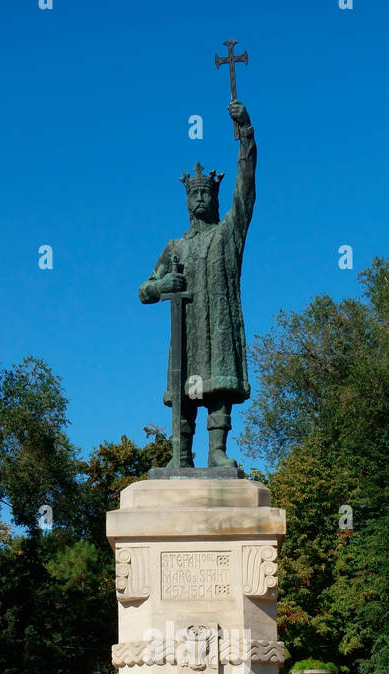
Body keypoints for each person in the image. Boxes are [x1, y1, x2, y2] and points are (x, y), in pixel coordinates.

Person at [138, 100, 255, 470]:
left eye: (207, 193)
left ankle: (216, 452)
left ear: (215, 198)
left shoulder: (227, 234)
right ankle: (180, 455)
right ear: (187, 201)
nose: (201, 198)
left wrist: (246, 135)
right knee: (184, 387)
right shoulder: (175, 247)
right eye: (195, 194)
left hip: (217, 329)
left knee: (218, 383)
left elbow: (246, 191)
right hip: (187, 334)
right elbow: (144, 290)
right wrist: (162, 285)